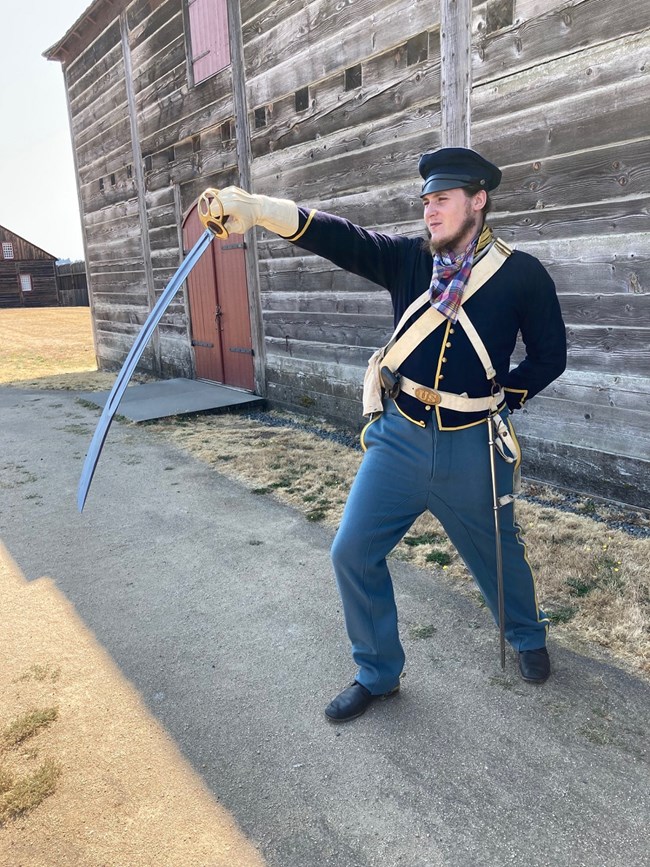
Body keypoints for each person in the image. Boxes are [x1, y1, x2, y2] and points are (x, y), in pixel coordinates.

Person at [199, 147, 567, 723]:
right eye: (426, 202)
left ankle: (527, 635)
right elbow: (342, 238)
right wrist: (261, 210)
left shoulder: (522, 273)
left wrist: (506, 395)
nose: (430, 211)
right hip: (400, 437)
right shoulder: (408, 261)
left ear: (478, 200)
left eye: (442, 200)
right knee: (352, 551)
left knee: (500, 554)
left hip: (472, 443)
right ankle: (377, 673)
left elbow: (551, 356)